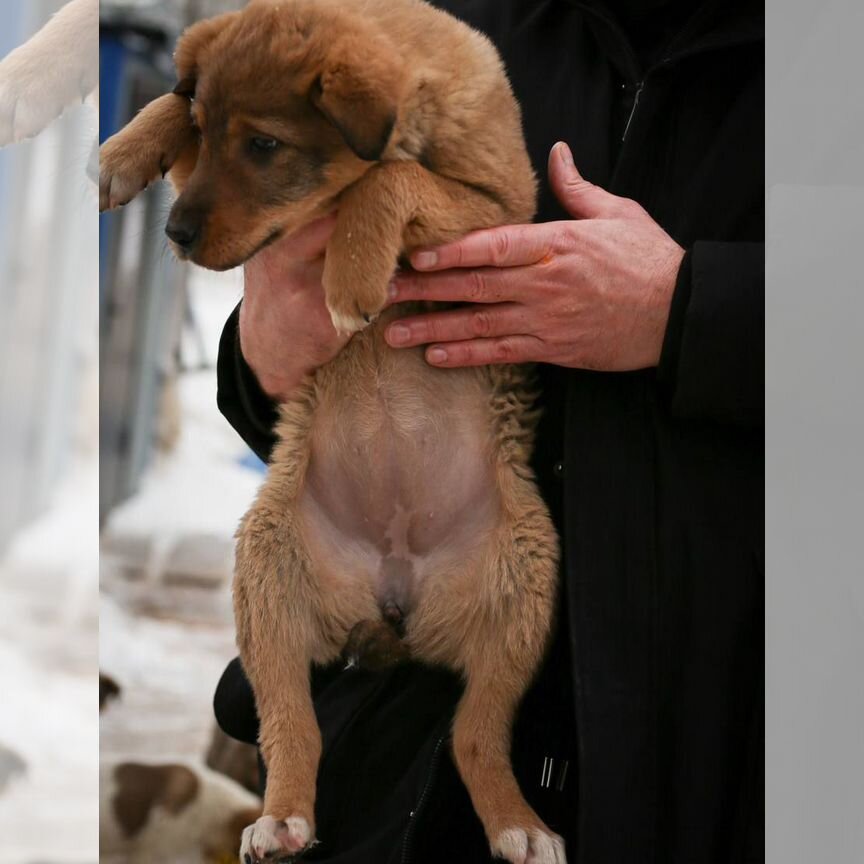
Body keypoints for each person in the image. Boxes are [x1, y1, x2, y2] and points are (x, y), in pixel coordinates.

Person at [214, 0, 764, 861]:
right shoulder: (455, 24)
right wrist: (260, 352)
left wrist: (693, 311)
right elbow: (306, 321)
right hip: (396, 774)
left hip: (719, 759)